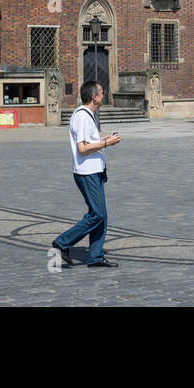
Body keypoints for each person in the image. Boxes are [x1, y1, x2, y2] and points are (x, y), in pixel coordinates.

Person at [52, 81, 121, 268]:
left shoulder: (87, 115)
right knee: (97, 214)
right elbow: (82, 148)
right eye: (101, 92)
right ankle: (62, 242)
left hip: (94, 171)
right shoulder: (82, 116)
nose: (104, 95)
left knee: (101, 215)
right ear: (94, 97)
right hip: (87, 172)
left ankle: (95, 257)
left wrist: (104, 139)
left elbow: (89, 141)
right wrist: (106, 144)